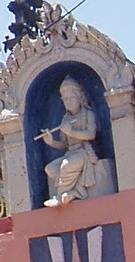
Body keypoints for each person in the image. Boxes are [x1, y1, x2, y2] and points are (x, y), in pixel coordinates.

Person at [38, 77, 107, 206]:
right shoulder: (66, 118)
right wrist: (51, 142)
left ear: (79, 98)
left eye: (70, 98)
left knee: (65, 166)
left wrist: (71, 132)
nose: (67, 102)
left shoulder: (88, 114)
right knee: (50, 168)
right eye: (64, 100)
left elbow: (91, 135)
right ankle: (75, 192)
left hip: (84, 152)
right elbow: (64, 144)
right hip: (71, 152)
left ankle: (59, 197)